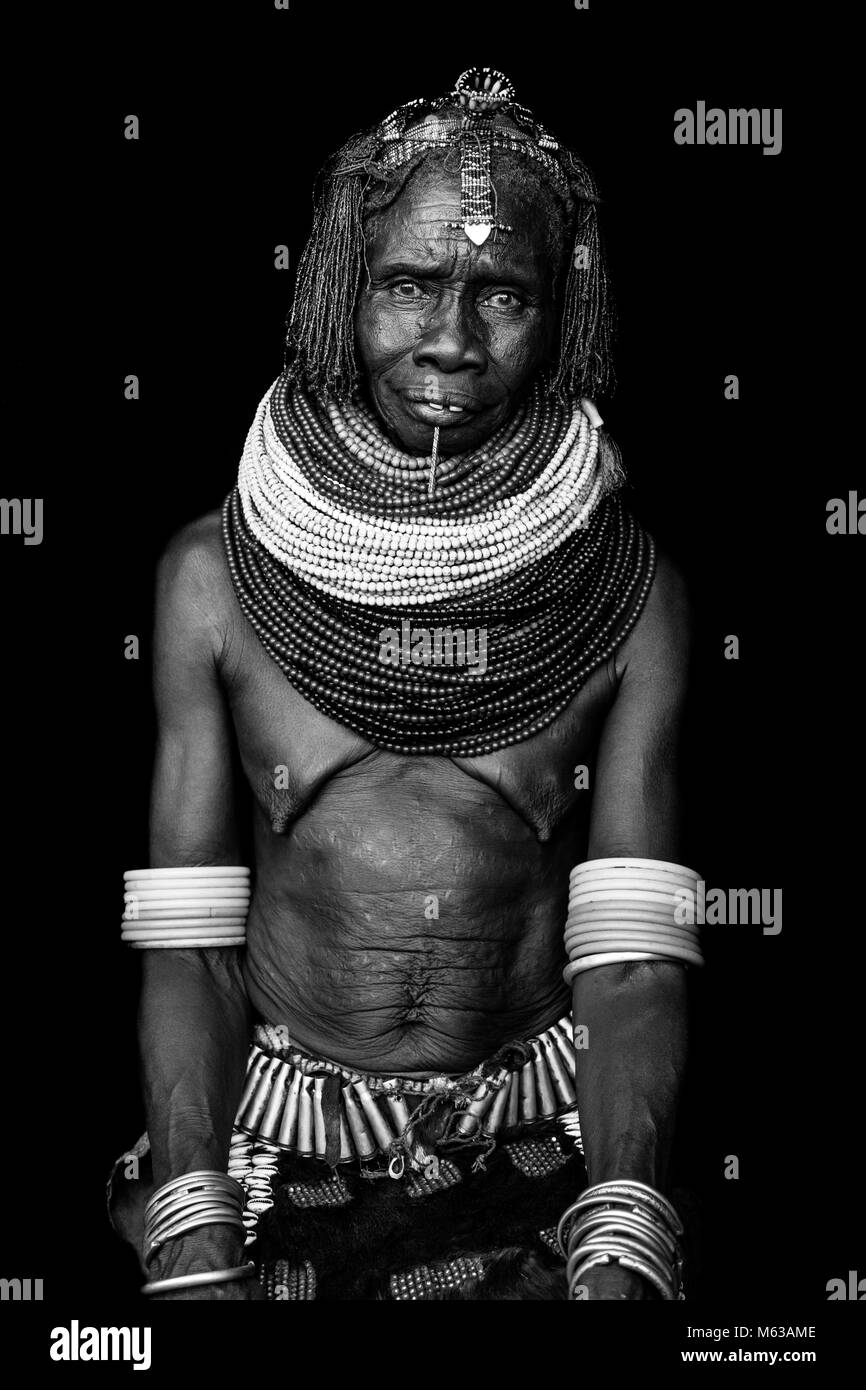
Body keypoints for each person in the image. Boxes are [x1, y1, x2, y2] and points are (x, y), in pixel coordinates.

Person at [110, 67, 698, 1301]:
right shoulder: (210, 579)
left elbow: (632, 963)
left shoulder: (627, 591)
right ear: (340, 286)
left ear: (562, 315)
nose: (449, 341)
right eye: (409, 285)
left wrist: (622, 1217)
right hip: (275, 1133)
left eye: (502, 295)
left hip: (544, 1117)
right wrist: (193, 1212)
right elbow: (190, 949)